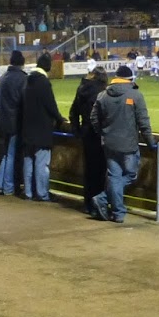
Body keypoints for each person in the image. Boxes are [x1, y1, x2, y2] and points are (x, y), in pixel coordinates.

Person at [90, 64, 153, 225]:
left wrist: (103, 133)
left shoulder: (103, 95)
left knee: (114, 176)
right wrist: (150, 142)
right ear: (130, 79)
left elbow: (94, 119)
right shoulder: (135, 95)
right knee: (130, 175)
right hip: (128, 144)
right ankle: (104, 200)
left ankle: (117, 211)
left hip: (109, 144)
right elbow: (143, 122)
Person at [18, 52, 65, 201]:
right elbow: (50, 105)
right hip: (41, 129)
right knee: (41, 163)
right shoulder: (43, 82)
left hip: (27, 128)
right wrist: (59, 118)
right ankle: (42, 193)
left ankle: (28, 192)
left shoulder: (27, 80)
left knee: (28, 161)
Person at [69, 63, 109, 216]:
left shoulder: (81, 89)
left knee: (89, 170)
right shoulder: (102, 91)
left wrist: (77, 131)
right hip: (99, 135)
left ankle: (88, 203)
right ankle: (97, 204)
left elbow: (73, 112)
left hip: (86, 134)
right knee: (101, 171)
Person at [0, 50, 28, 196]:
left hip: (3, 121)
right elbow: (24, 101)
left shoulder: (4, 77)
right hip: (15, 121)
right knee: (12, 154)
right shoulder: (22, 78)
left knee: (6, 154)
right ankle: (7, 187)